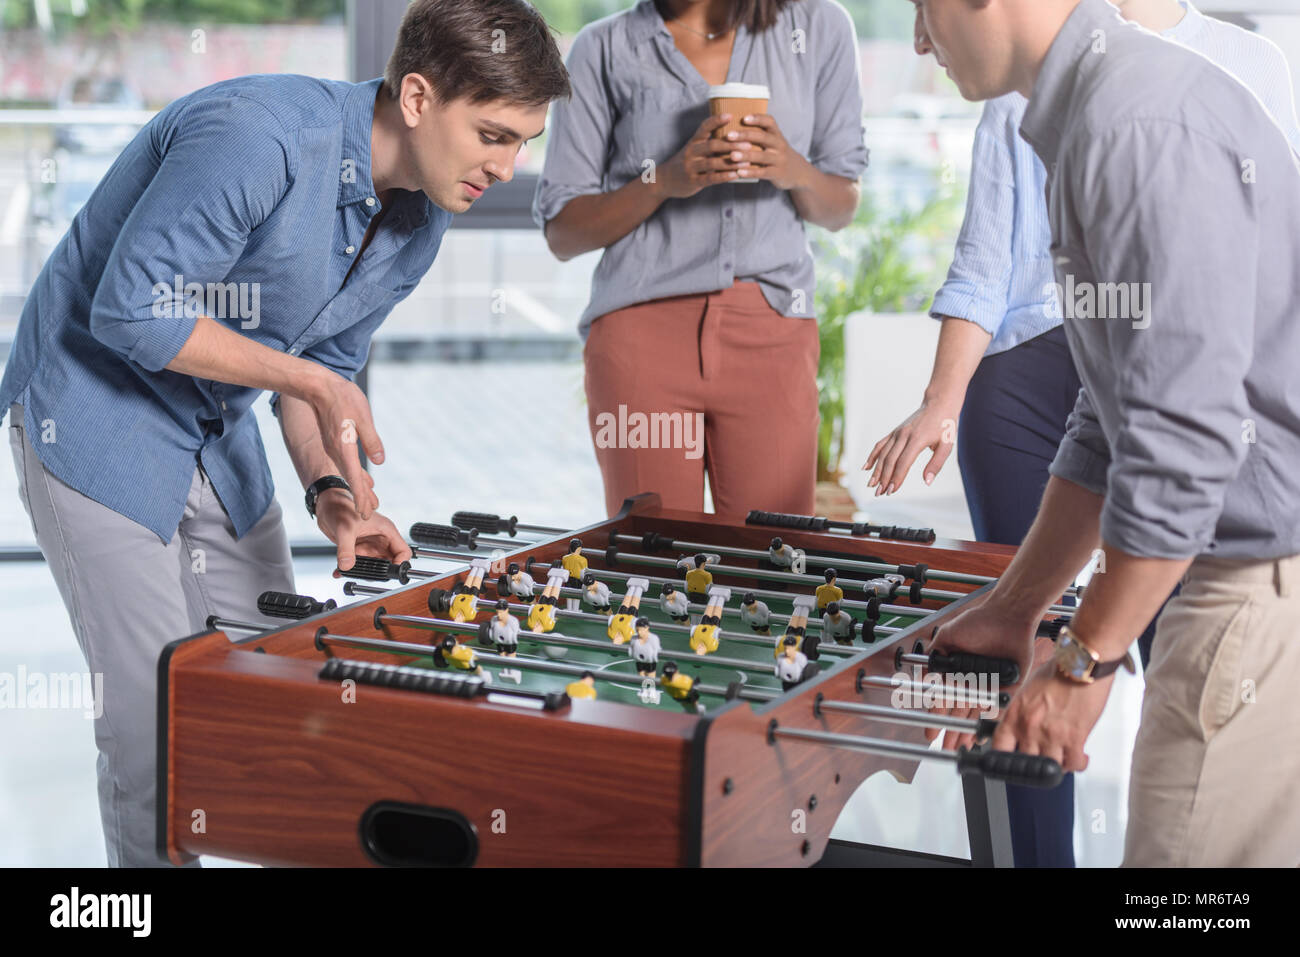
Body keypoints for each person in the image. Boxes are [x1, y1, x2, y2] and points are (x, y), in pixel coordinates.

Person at [0, 0, 568, 866]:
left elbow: (321, 373)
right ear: (416, 97)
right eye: (493, 134)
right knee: (158, 725)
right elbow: (132, 311)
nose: (508, 164)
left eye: (522, 141)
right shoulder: (258, 135)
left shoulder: (421, 221)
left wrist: (334, 498)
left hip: (211, 434)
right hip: (93, 415)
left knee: (285, 697)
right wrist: (307, 375)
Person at [867, 0, 1300, 869]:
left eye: (921, 8)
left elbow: (1182, 436)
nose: (918, 39)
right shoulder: (1088, 116)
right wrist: (1013, 609)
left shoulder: (1134, 126)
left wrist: (1081, 666)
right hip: (1242, 583)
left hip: (1256, 589)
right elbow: (1106, 418)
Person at [534, 0, 868, 518]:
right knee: (655, 566)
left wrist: (792, 169)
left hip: (772, 336)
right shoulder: (603, 48)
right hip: (639, 337)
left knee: (775, 564)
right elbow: (564, 232)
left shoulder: (818, 27)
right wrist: (662, 181)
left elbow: (841, 205)